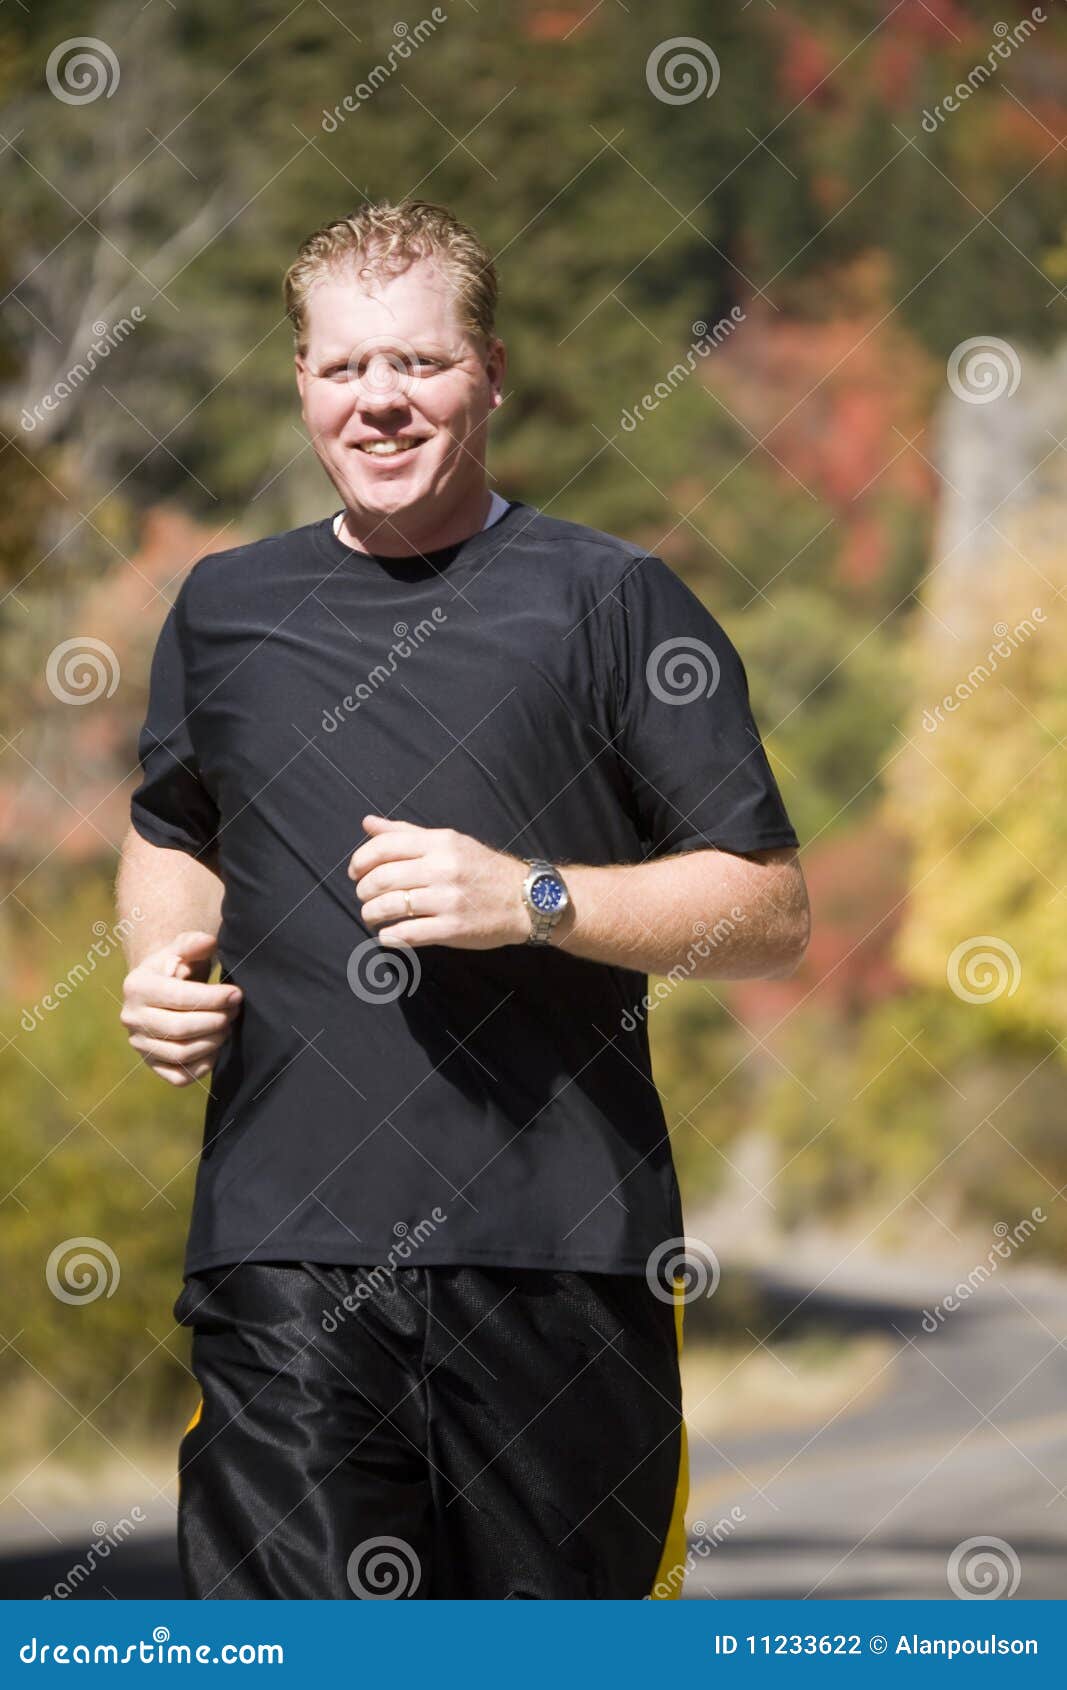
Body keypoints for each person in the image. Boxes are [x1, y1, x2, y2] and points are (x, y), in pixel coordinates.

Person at [116, 199, 809, 1600]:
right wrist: (159, 960)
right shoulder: (225, 608)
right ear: (302, 380)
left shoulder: (612, 602)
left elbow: (771, 905)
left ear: (489, 373)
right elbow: (171, 828)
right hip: (284, 1256)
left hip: (560, 1266)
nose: (380, 401)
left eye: (420, 364)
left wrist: (534, 896)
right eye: (344, 367)